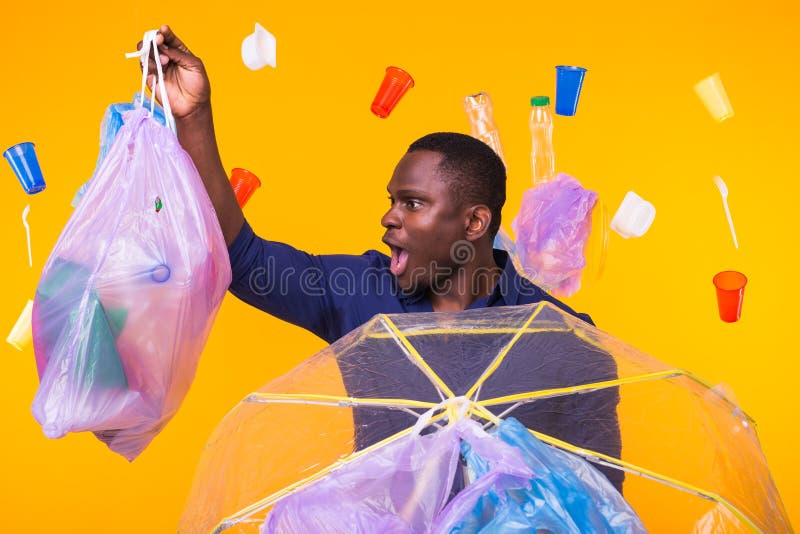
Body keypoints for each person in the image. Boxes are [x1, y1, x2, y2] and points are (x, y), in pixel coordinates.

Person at [140, 25, 623, 493]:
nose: (389, 218)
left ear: (473, 224)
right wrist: (193, 117)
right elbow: (241, 259)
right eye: (392, 201)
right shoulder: (363, 294)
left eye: (412, 203)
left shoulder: (564, 340)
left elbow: (601, 503)